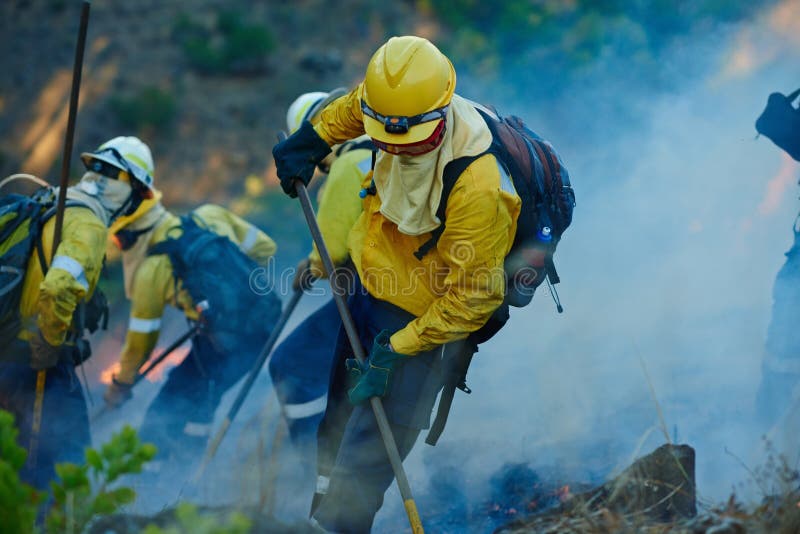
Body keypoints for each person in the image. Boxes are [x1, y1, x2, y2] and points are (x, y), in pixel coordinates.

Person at [273, 35, 523, 532]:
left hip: (426, 323)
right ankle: (320, 512)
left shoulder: (480, 185)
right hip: (373, 289)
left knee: (368, 454)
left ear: (439, 110)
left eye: (405, 139)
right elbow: (351, 109)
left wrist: (398, 349)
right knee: (337, 422)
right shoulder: (390, 102)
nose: (390, 148)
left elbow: (475, 298)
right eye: (382, 136)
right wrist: (312, 140)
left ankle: (339, 525)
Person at [99, 137, 281, 474]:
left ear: (128, 234)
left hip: (223, 343)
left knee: (163, 413)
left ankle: (159, 482)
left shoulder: (150, 270)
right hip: (266, 325)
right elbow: (266, 248)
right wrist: (239, 290)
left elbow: (140, 345)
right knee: (200, 399)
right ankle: (188, 473)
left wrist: (120, 387)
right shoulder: (211, 216)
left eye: (118, 238)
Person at [0, 135, 155, 488]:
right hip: (32, 365)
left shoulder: (45, 203)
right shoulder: (88, 224)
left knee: (12, 466)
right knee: (67, 464)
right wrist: (50, 340)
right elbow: (59, 286)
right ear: (128, 189)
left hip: (4, 355)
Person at [268, 89, 374, 457]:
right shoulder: (381, 148)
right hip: (400, 287)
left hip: (372, 295)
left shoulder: (348, 163)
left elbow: (331, 250)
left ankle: (316, 461)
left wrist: (310, 268)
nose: (322, 166)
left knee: (290, 365)